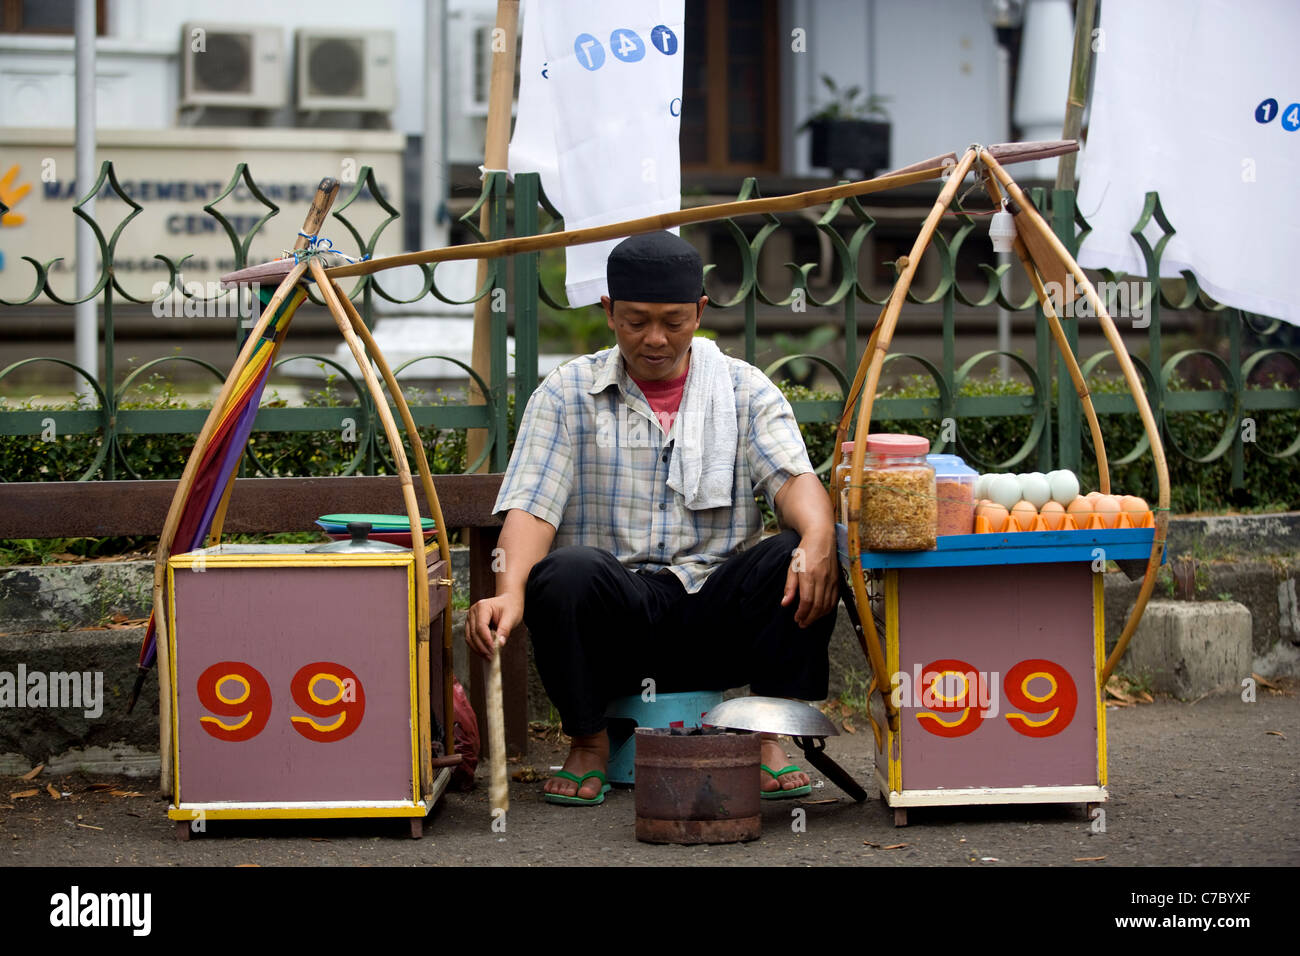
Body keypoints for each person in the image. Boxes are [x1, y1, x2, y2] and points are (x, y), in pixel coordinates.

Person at [465, 230, 838, 805]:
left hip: (715, 610)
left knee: (800, 547)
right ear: (609, 311)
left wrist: (816, 537)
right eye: (636, 321)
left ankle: (767, 737)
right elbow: (533, 507)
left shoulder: (743, 390)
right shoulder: (568, 393)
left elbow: (793, 480)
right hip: (620, 619)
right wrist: (509, 593)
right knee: (565, 573)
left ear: (700, 313)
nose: (656, 339)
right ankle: (588, 744)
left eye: (674, 321)